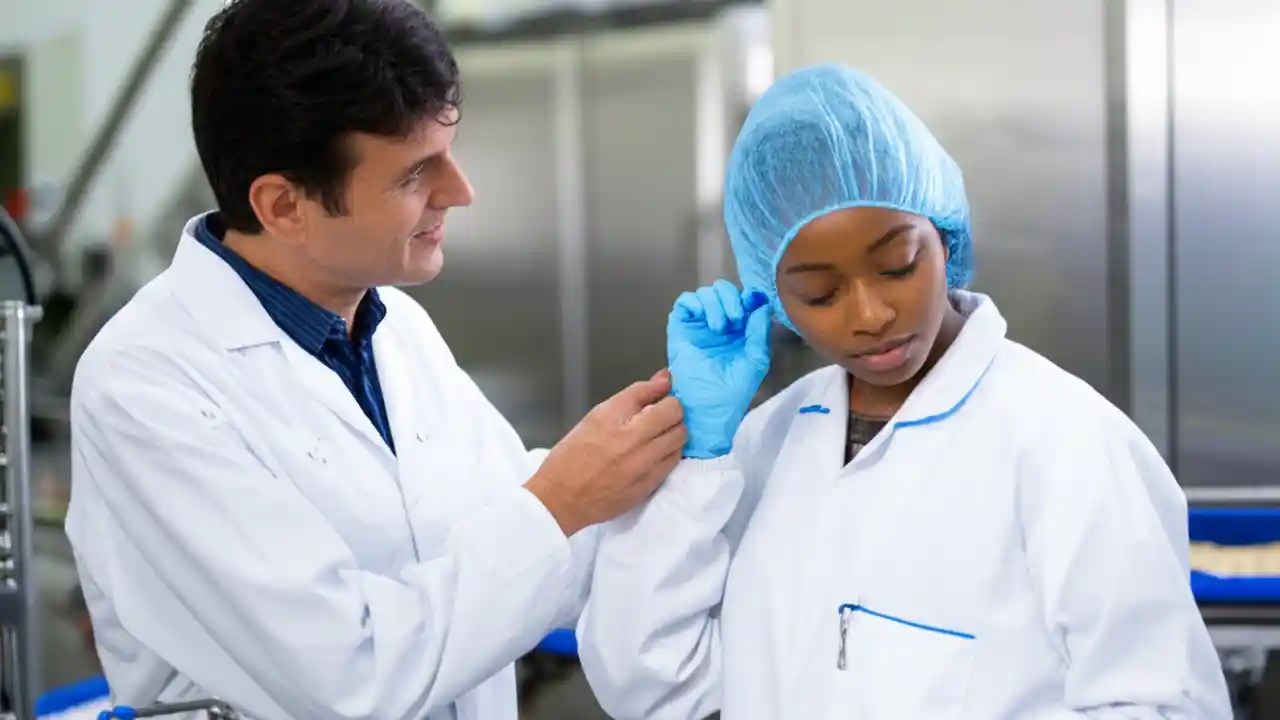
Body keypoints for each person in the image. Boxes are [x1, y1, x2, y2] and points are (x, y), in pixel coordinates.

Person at [64, 1, 686, 717]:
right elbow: (351, 674)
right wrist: (565, 500)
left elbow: (531, 533)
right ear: (284, 206)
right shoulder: (145, 385)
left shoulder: (396, 330)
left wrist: (672, 456)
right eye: (417, 174)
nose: (461, 192)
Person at [576, 64, 1231, 719]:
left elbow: (1164, 704)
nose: (869, 314)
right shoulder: (764, 445)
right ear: (775, 299)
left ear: (945, 237)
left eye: (897, 266)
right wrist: (699, 458)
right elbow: (649, 685)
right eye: (820, 293)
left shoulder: (1064, 440)